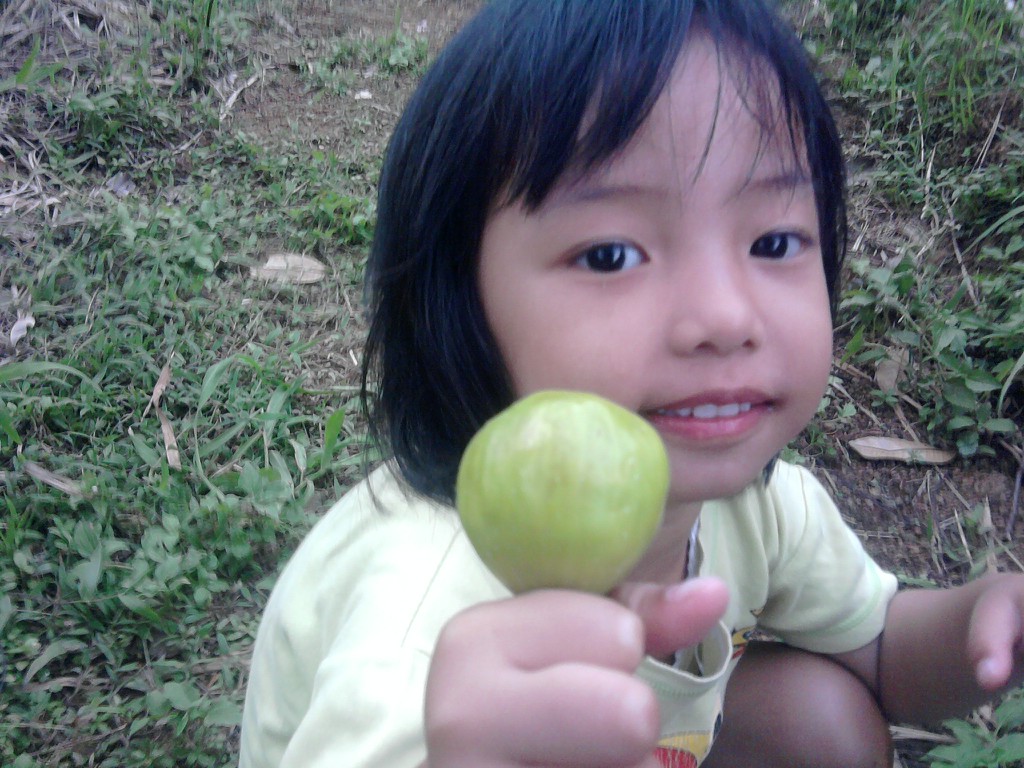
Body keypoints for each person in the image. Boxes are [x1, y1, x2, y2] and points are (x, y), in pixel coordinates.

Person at [239, 1, 1024, 766]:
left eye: (776, 239)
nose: (723, 316)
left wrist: (984, 625)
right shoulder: (418, 624)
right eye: (611, 254)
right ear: (459, 302)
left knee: (824, 724)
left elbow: (881, 650)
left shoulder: (758, 507)